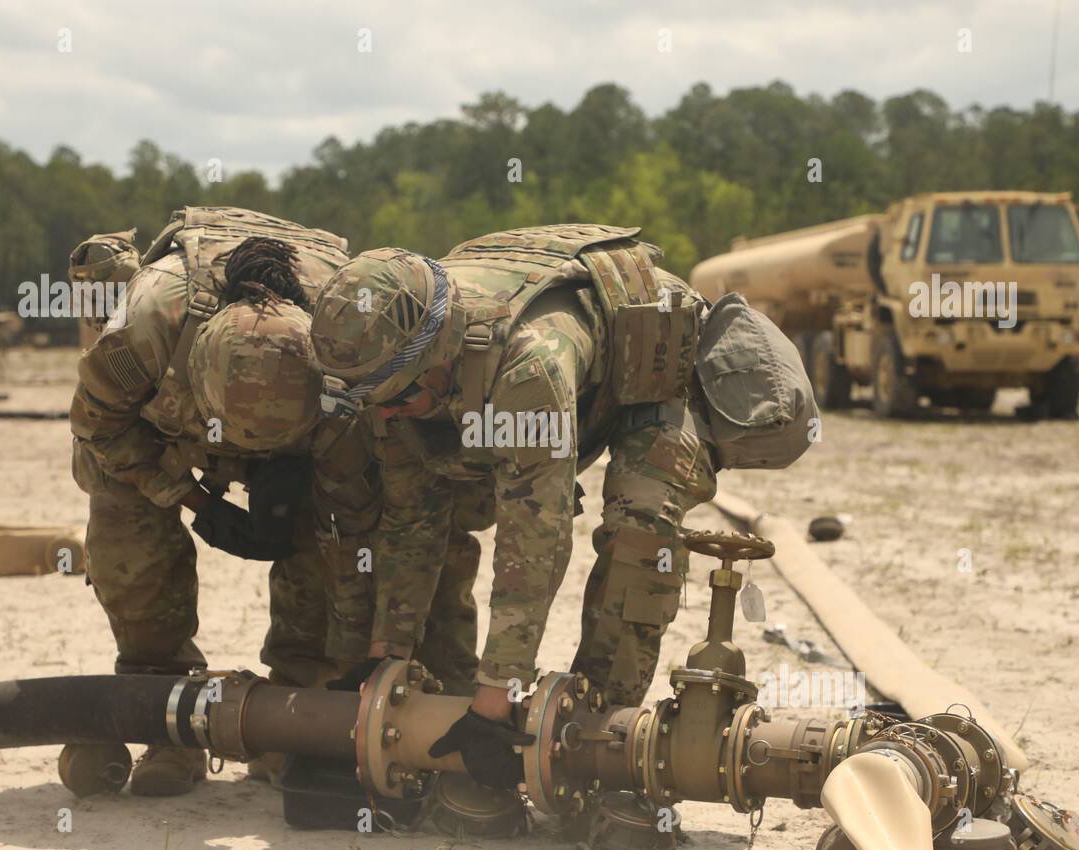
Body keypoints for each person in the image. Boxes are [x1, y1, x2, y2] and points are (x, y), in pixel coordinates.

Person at [312, 224, 817, 789]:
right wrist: (386, 656)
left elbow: (536, 540)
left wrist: (497, 698)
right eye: (373, 401)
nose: (391, 414)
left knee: (639, 529)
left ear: (435, 355)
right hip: (571, 378)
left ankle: (602, 740)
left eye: (401, 397)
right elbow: (412, 518)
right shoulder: (386, 385)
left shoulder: (529, 367)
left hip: (657, 373)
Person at [70, 208, 371, 795]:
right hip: (165, 437)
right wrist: (189, 498)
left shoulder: (354, 338)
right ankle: (164, 716)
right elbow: (98, 428)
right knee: (127, 539)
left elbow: (358, 509)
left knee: (327, 542)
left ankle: (294, 719)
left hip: (310, 447)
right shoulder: (150, 324)